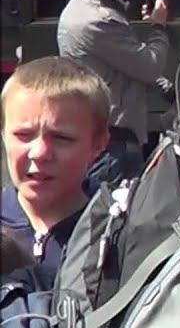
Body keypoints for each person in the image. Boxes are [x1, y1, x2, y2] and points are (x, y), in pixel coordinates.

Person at [56, 0, 170, 186]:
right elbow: (149, 67)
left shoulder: (80, 10)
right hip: (114, 144)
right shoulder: (100, 20)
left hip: (100, 134)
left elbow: (121, 62)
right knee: (115, 220)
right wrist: (159, 27)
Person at [0, 57, 111, 275]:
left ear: (98, 145)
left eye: (61, 138)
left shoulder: (116, 235)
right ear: (3, 134)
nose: (39, 153)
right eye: (23, 135)